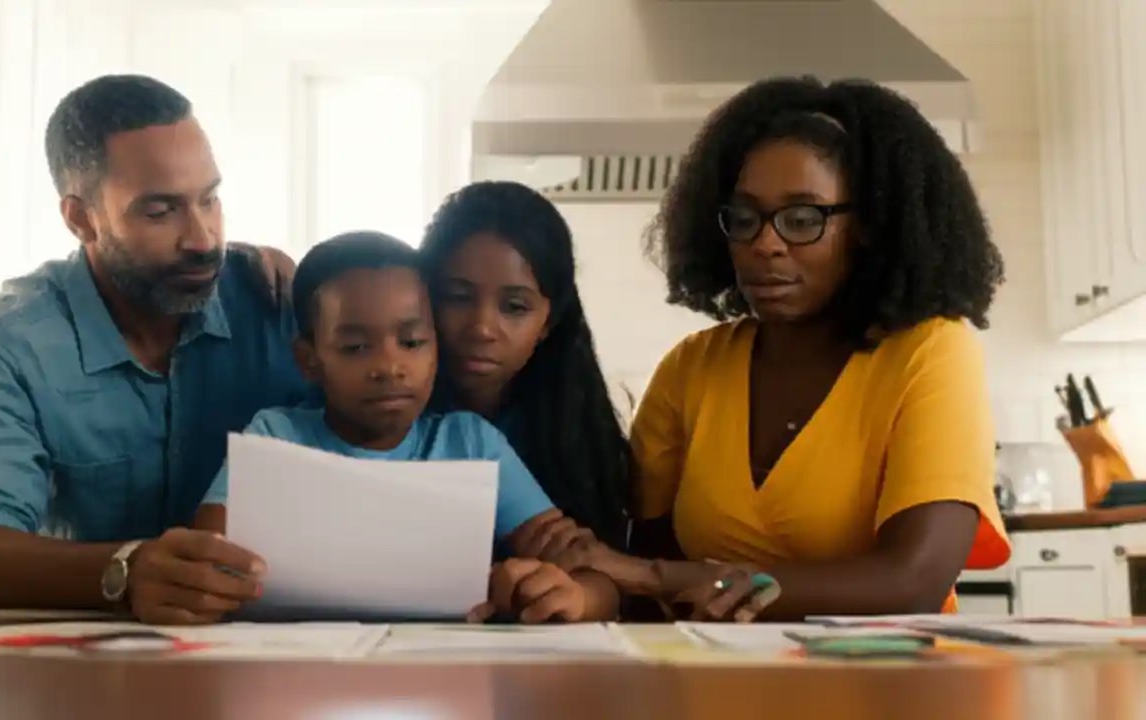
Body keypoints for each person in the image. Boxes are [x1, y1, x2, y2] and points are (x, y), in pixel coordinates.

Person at [551, 77, 1012, 621]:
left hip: (889, 689)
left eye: (801, 219)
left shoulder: (930, 351)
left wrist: (684, 578)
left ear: (868, 226)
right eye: (744, 218)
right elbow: (650, 583)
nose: (764, 243)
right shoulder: (690, 369)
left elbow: (912, 581)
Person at [0, 74, 306, 625]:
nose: (202, 238)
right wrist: (124, 570)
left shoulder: (273, 305)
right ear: (80, 218)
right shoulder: (8, 342)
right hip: (80, 674)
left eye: (209, 199)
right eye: (159, 211)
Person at [194, 231, 619, 624]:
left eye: (412, 342)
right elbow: (206, 555)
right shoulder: (276, 437)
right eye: (357, 347)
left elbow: (590, 575)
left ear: (437, 348)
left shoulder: (471, 443)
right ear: (309, 360)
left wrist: (578, 597)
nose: (390, 368)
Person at [419, 181, 632, 550]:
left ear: (549, 322)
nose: (482, 328)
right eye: (457, 297)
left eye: (514, 307)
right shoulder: (371, 407)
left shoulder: (577, 439)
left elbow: (601, 575)